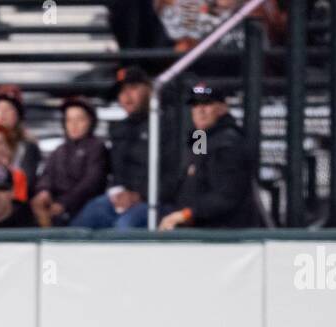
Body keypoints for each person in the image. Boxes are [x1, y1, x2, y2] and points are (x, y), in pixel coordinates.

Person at [75, 65, 182, 231]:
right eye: (122, 91)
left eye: (133, 88)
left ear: (149, 89)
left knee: (125, 226)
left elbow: (177, 174)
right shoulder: (119, 130)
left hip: (160, 202)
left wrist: (140, 195)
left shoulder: (171, 125)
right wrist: (118, 192)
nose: (127, 96)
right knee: (89, 215)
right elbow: (118, 173)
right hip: (125, 200)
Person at [156, 83, 262, 230]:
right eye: (195, 105)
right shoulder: (201, 137)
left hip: (222, 231)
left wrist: (187, 214)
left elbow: (226, 196)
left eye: (207, 104)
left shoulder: (228, 142)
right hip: (195, 223)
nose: (200, 110)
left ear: (222, 108)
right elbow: (191, 178)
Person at [30, 96, 108, 227]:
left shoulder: (97, 147)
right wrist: (44, 191)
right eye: (69, 120)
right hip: (57, 205)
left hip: (84, 207)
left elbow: (91, 183)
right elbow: (47, 175)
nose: (74, 125)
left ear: (91, 122)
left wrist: (64, 203)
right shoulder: (59, 150)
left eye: (80, 119)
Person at [0, 84, 40, 194]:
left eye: (8, 108)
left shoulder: (26, 146)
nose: (2, 113)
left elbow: (26, 184)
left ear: (17, 115)